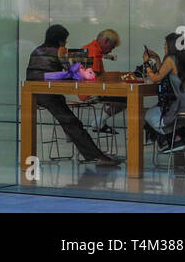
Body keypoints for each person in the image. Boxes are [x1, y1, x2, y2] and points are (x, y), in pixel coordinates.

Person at [27, 24, 120, 166]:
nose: (65, 43)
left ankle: (73, 136)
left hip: (33, 94)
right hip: (47, 94)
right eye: (65, 40)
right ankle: (97, 155)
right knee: (72, 123)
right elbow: (74, 71)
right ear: (60, 41)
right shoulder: (59, 52)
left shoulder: (37, 50)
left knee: (69, 120)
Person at [143, 32, 185, 153]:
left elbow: (156, 78)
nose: (164, 47)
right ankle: (180, 138)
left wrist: (146, 63)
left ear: (171, 46)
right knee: (166, 114)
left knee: (148, 114)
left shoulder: (171, 59)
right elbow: (162, 73)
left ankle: (176, 139)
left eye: (165, 44)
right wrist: (157, 58)